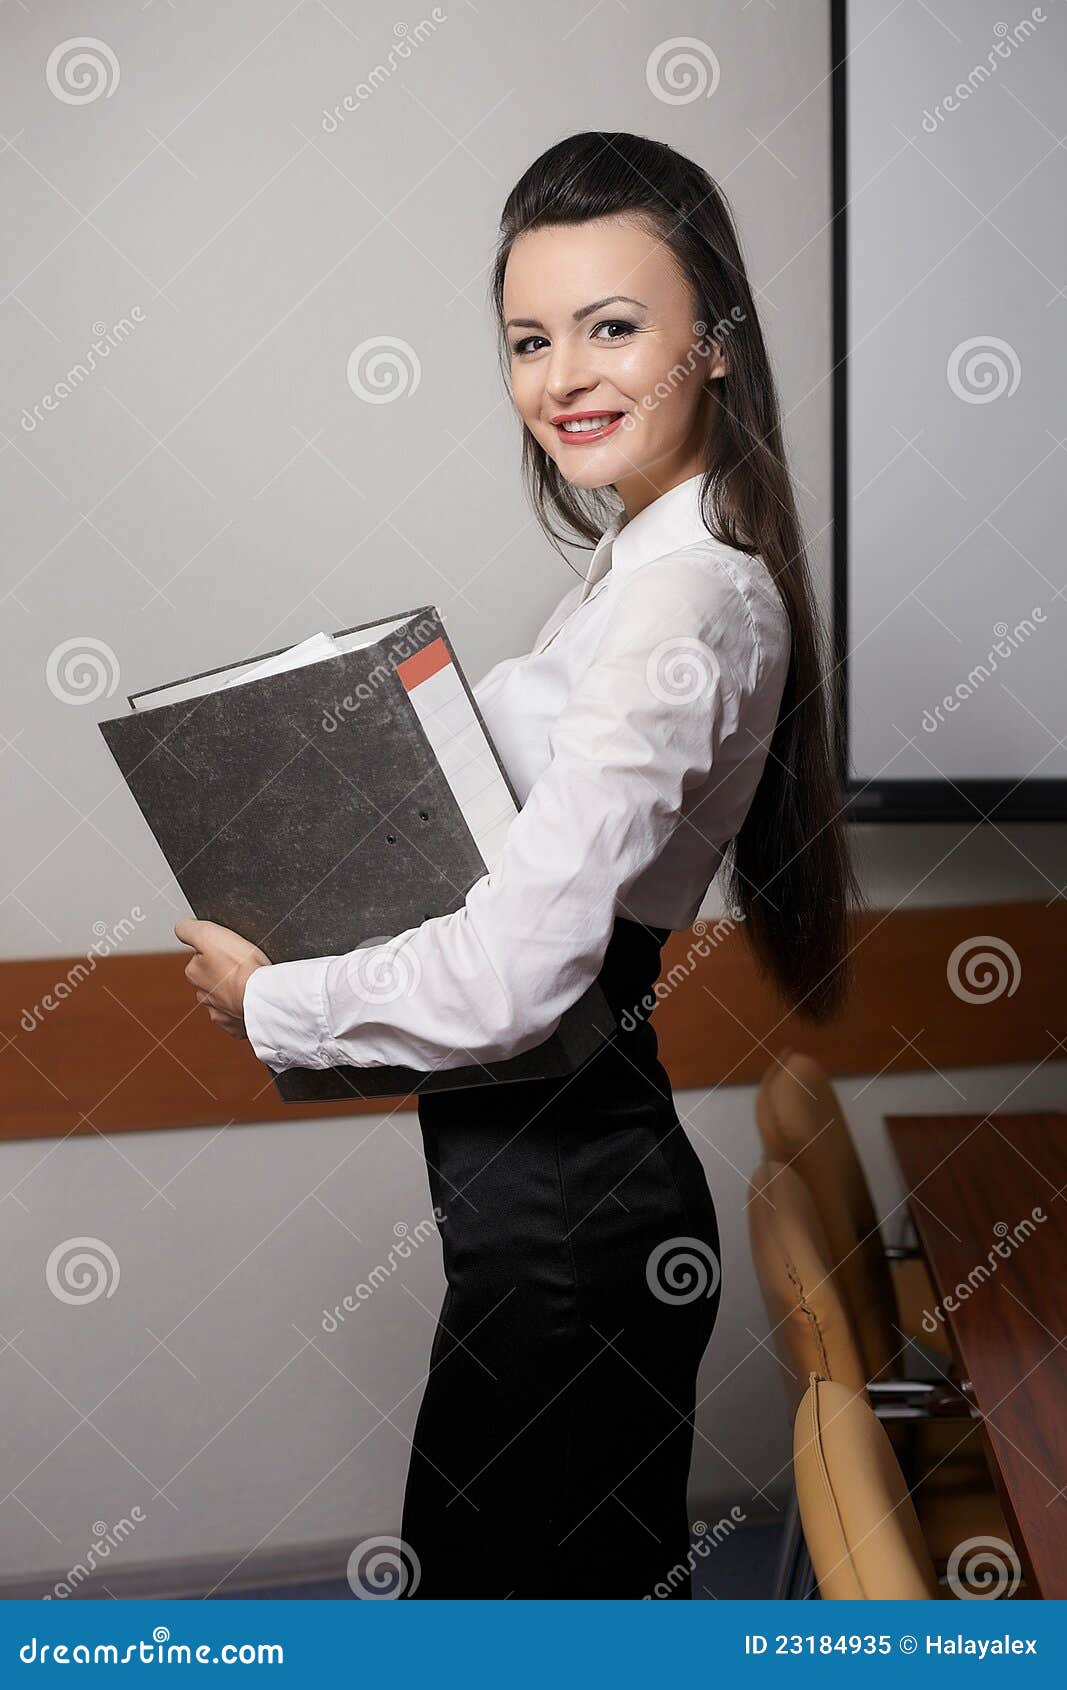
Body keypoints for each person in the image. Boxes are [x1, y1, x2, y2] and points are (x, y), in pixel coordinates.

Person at [176, 130, 860, 1599]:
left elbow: (524, 967)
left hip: (571, 1234)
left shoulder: (688, 601)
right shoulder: (636, 578)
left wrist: (272, 998)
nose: (564, 377)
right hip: (543, 1224)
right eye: (530, 339)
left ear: (717, 343)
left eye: (614, 327)